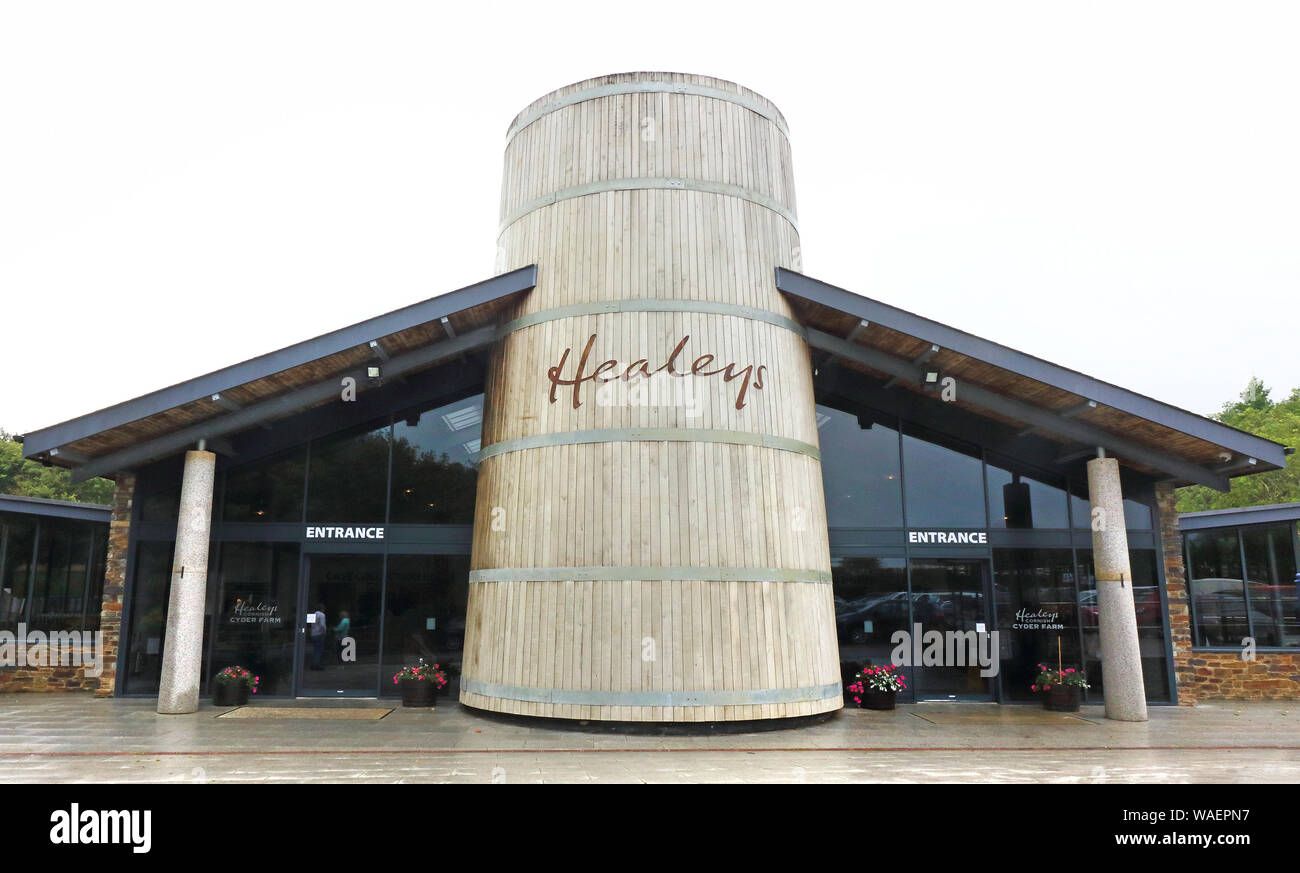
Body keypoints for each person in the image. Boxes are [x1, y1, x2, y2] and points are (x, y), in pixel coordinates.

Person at [309, 603, 327, 670]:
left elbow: (310, 625)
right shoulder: (322, 615)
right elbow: (322, 625)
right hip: (319, 634)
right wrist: (324, 632)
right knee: (319, 650)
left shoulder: (312, 615)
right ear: (322, 609)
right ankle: (316, 664)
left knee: (315, 650)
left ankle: (313, 664)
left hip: (313, 634)